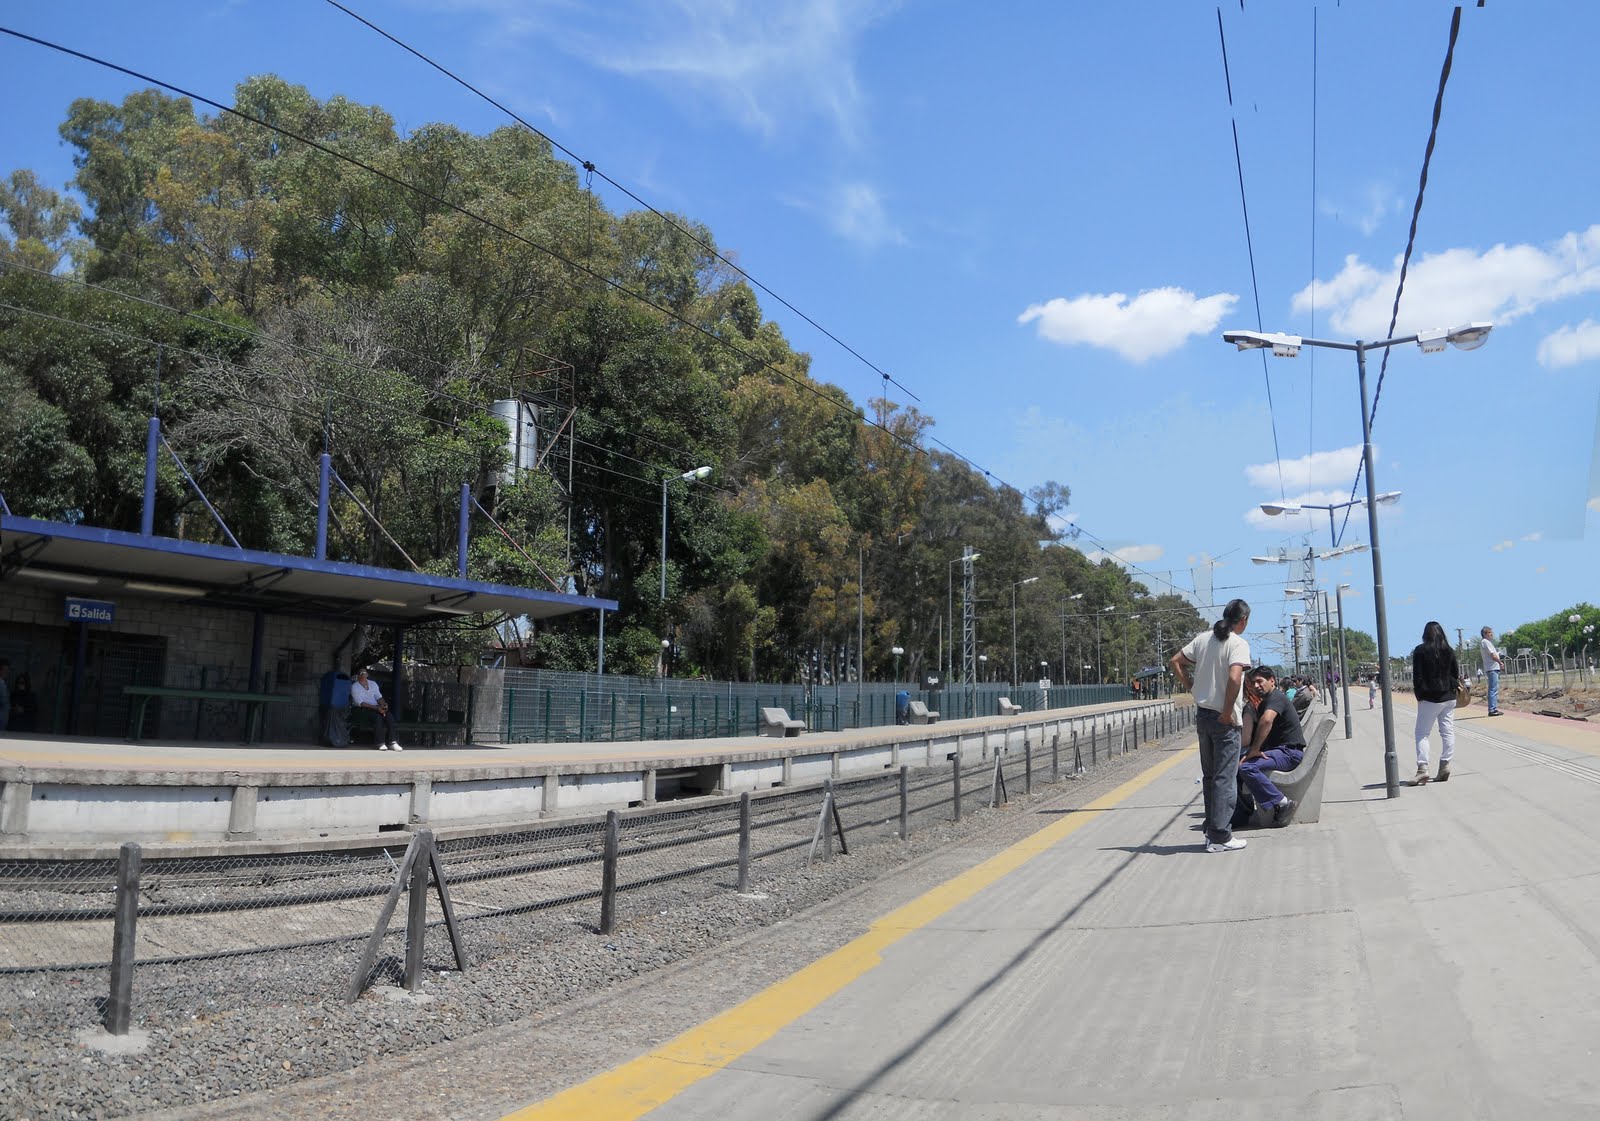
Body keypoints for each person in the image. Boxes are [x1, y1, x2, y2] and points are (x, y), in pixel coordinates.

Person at [1171, 598, 1252, 853]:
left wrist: (1192, 687)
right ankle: (1220, 836)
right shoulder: (1238, 644)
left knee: (1210, 777)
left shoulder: (1203, 639)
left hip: (1203, 716)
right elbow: (1235, 678)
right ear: (1243, 620)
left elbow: (1176, 661)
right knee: (1225, 778)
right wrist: (1227, 712)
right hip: (1224, 720)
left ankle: (1211, 831)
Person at [1238, 666, 1306, 827]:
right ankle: (1241, 814)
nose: (1256, 686)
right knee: (1238, 764)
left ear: (1272, 681)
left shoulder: (1276, 697)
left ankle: (1283, 803)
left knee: (1247, 767)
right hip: (1281, 751)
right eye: (1253, 683)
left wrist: (1254, 750)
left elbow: (1267, 720)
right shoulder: (1267, 701)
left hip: (1289, 753)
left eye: (1260, 681)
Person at [1412, 621, 1460, 784]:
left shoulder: (1420, 650)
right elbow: (1455, 674)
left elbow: (1417, 676)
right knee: (1447, 732)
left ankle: (1423, 768)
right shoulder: (1449, 650)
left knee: (1422, 733)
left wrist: (1420, 695)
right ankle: (1445, 764)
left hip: (1430, 697)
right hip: (1449, 697)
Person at [349, 667, 403, 751]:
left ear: (367, 675)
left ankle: (392, 742)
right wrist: (377, 708)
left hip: (376, 707)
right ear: (358, 675)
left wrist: (383, 704)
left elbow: (379, 697)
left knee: (389, 716)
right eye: (361, 673)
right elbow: (360, 703)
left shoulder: (373, 684)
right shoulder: (354, 686)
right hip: (362, 709)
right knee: (377, 718)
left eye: (365, 673)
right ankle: (380, 743)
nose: (363, 675)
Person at [1480, 626, 1504, 716]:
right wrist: (1500, 662)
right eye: (1490, 633)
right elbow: (1493, 655)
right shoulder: (1486, 642)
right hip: (1492, 668)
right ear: (1485, 633)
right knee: (1493, 689)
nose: (1492, 634)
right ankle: (1492, 709)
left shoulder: (1484, 643)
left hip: (1491, 668)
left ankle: (1493, 708)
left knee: (1493, 688)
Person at [0, 659, 10, 732]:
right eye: (5, 670)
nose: (7, 672)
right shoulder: (1, 684)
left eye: (7, 670)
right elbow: (3, 701)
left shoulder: (3, 683)